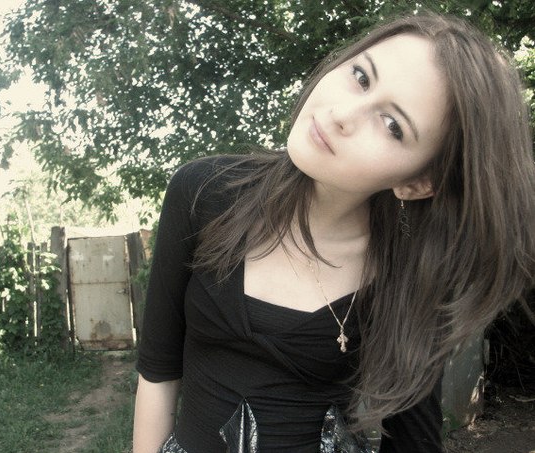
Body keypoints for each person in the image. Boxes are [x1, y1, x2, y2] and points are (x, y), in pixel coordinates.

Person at [132, 12, 535, 453]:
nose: (342, 114)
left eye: (393, 125)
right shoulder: (203, 192)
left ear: (419, 183)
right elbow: (157, 373)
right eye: (361, 77)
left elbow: (413, 440)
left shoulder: (409, 272)